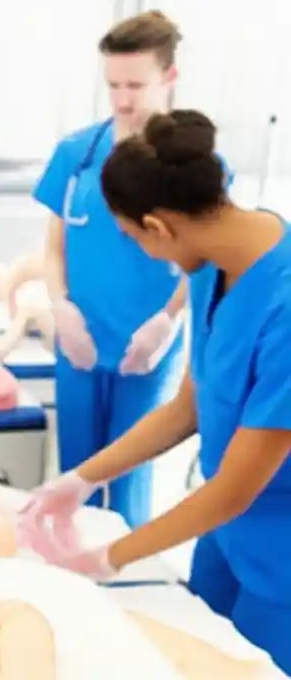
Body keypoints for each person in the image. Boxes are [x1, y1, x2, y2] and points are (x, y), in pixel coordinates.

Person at [20, 110, 291, 674]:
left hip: (278, 552)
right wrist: (81, 479)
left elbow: (237, 489)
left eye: (131, 238)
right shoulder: (210, 264)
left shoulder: (284, 304)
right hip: (224, 535)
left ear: (159, 227)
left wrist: (106, 557)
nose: (144, 254)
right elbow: (187, 409)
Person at [27, 11, 212, 528]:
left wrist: (168, 321)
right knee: (75, 481)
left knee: (129, 485)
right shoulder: (77, 154)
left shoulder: (192, 162)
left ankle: (123, 581)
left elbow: (207, 255)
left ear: (169, 78)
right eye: (113, 85)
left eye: (136, 84)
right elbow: (55, 246)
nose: (123, 99)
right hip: (80, 338)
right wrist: (59, 306)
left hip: (146, 344)